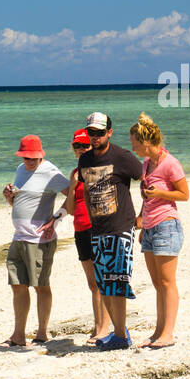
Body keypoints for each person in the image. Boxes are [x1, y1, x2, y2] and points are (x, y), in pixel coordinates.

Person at [76, 113, 144, 350]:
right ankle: (119, 331)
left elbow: (146, 180)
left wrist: (143, 215)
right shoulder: (84, 161)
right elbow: (85, 191)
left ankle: (120, 336)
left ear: (109, 133)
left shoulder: (122, 157)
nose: (95, 137)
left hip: (120, 228)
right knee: (102, 283)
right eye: (91, 133)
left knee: (117, 282)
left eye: (99, 133)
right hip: (97, 230)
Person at [0, 135, 71, 348]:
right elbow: (21, 201)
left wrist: (56, 218)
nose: (30, 161)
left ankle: (41, 333)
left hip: (39, 239)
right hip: (19, 236)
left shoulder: (51, 172)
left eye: (33, 158)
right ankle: (18, 335)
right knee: (18, 286)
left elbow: (75, 195)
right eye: (26, 157)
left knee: (41, 285)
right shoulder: (20, 169)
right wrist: (10, 198)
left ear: (41, 155)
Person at [130, 113, 188, 349]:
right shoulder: (146, 164)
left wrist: (160, 194)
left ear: (145, 143)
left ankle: (168, 333)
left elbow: (184, 194)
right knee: (157, 284)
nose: (132, 148)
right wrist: (142, 220)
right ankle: (158, 331)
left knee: (167, 282)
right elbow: (146, 195)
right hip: (151, 227)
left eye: (134, 144)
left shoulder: (170, 163)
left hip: (167, 225)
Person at [67, 129, 108, 344]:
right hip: (80, 228)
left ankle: (103, 327)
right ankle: (98, 325)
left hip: (98, 227)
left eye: (85, 145)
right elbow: (71, 209)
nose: (82, 149)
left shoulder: (98, 169)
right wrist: (73, 186)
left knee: (103, 280)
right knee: (93, 284)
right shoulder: (75, 172)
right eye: (77, 146)